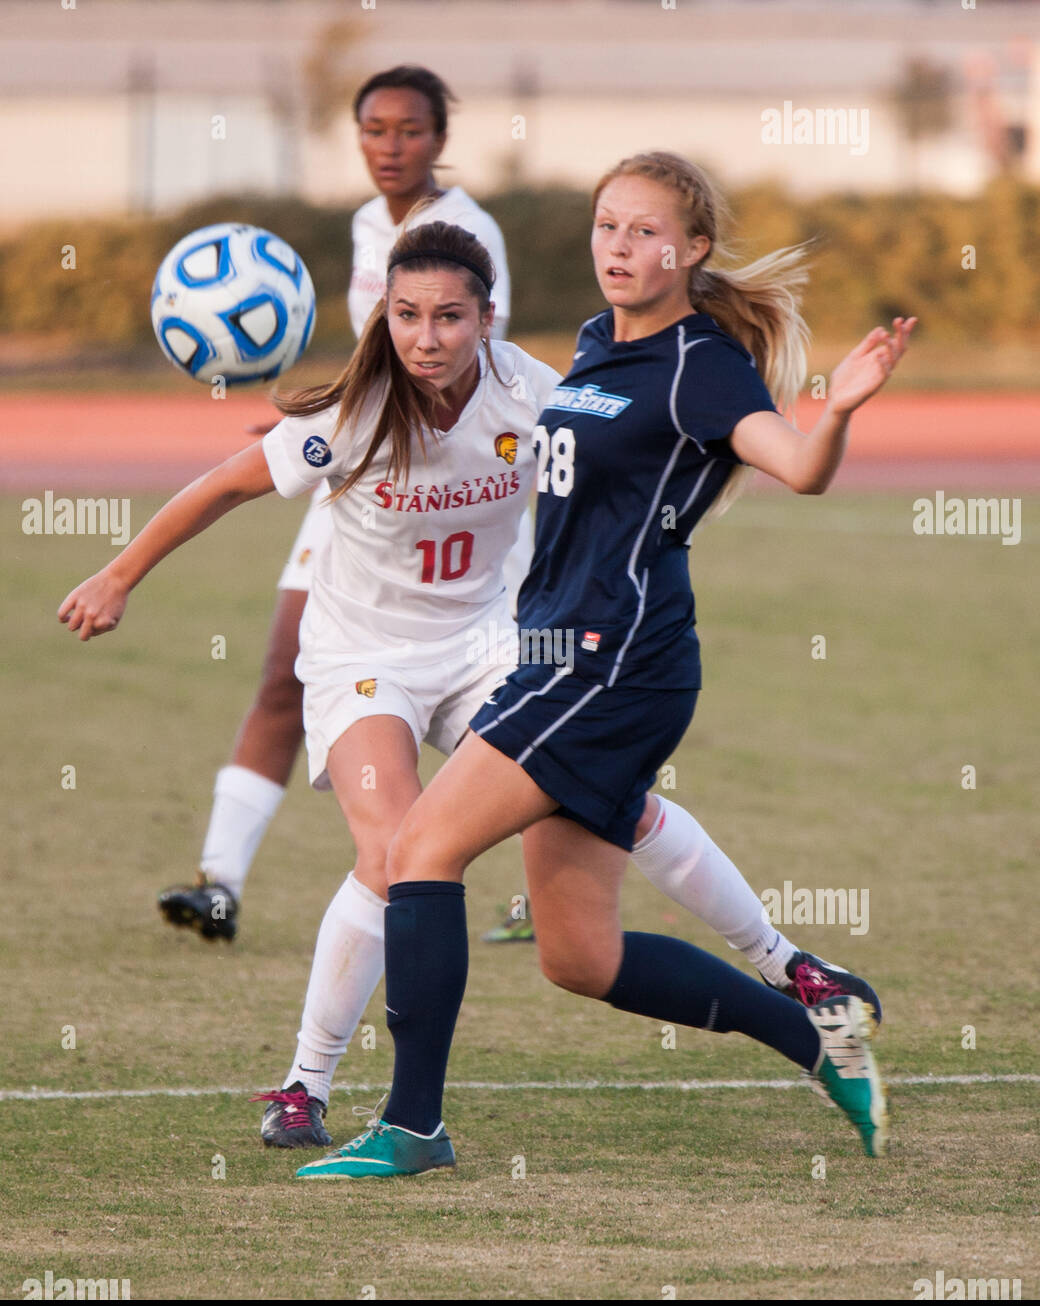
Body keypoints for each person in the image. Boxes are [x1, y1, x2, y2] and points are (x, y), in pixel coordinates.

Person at [60, 216, 883, 1158]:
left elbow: (637, 453)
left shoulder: (536, 395)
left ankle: (795, 971)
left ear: (488, 318)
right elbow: (220, 486)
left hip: (495, 645)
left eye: (450, 316)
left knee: (619, 810)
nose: (427, 336)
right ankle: (306, 1084)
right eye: (407, 314)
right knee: (394, 851)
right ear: (386, 316)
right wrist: (119, 574)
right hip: (365, 660)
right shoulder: (351, 415)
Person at [293, 151, 915, 1180]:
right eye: (606, 226)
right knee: (577, 957)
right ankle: (818, 1036)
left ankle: (411, 1125)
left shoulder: (699, 365)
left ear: (693, 248)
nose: (618, 248)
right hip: (566, 654)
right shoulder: (592, 343)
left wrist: (837, 406)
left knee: (419, 850)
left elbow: (799, 468)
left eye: (642, 231)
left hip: (608, 665)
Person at [157, 65, 517, 945]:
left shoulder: (465, 231)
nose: (390, 147)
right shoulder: (368, 225)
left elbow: (468, 379)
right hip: (357, 477)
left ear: (440, 138)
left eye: (409, 130)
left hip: (441, 499)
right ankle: (221, 880)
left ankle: (525, 875)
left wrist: (354, 427)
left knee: (496, 714)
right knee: (286, 667)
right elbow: (378, 362)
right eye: (374, 129)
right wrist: (321, 417)